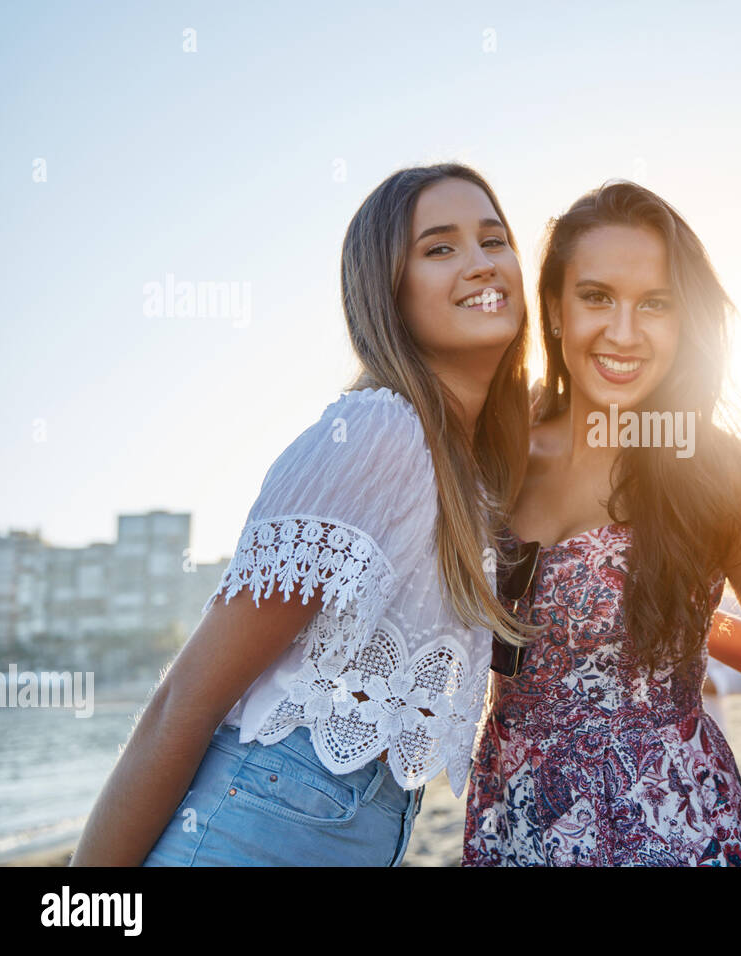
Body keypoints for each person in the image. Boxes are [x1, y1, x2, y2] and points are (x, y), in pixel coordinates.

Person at [70, 163, 531, 866]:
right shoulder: (380, 432)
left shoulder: (473, 475)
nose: (480, 264)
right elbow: (185, 701)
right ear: (389, 291)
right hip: (248, 827)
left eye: (494, 240)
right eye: (440, 248)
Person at [462, 181, 741, 866]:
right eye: (596, 297)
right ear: (553, 307)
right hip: (513, 818)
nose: (624, 332)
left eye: (656, 304)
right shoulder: (494, 449)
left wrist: (684, 627)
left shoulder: (725, 472)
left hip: (677, 829)